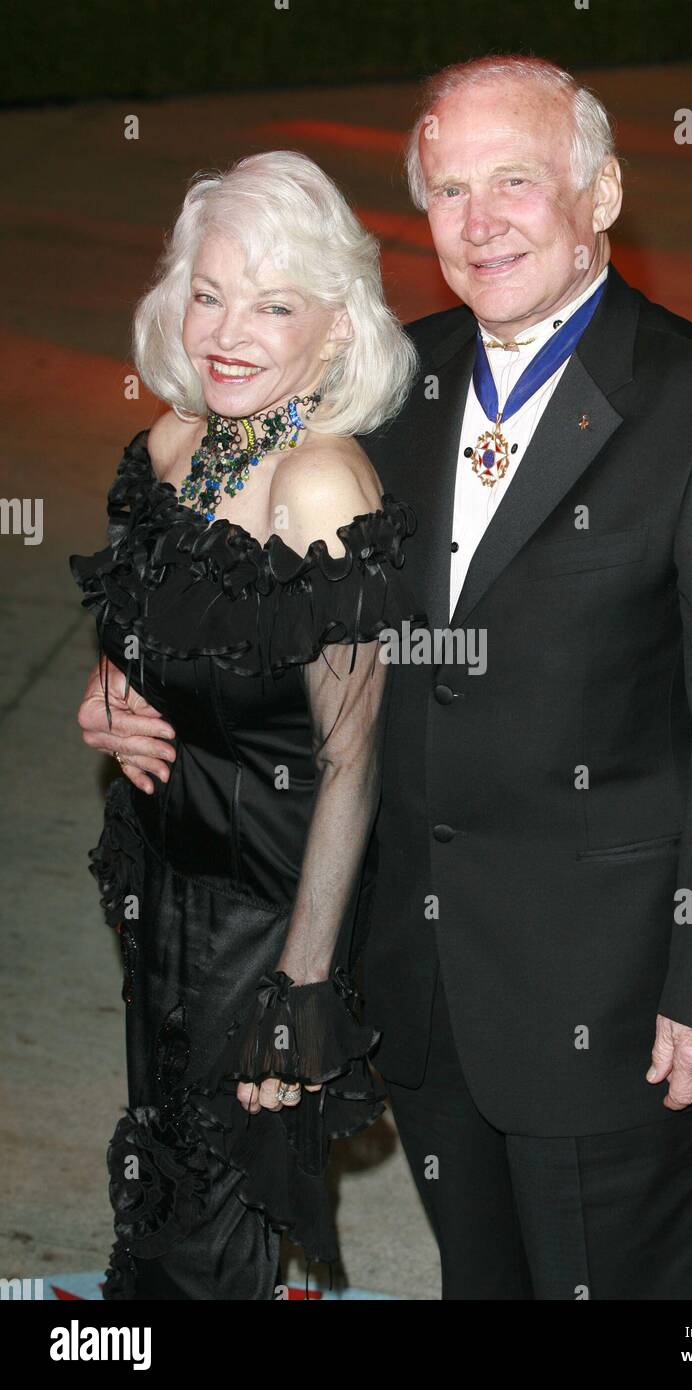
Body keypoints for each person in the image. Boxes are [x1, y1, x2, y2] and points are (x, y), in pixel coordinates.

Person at [78, 55, 692, 1301]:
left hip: (616, 1009)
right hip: (417, 993)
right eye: (450, 190)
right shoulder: (383, 385)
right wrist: (128, 671)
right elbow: (207, 510)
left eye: (514, 180)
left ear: (600, 193)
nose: (480, 223)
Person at [69, 149, 424, 1300]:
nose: (227, 333)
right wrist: (110, 686)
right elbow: (141, 619)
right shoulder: (174, 439)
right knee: (163, 1173)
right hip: (161, 869)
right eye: (209, 293)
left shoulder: (319, 489)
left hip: (268, 910)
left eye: (272, 305)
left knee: (214, 1225)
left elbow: (354, 760)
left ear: (334, 329)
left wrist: (299, 994)